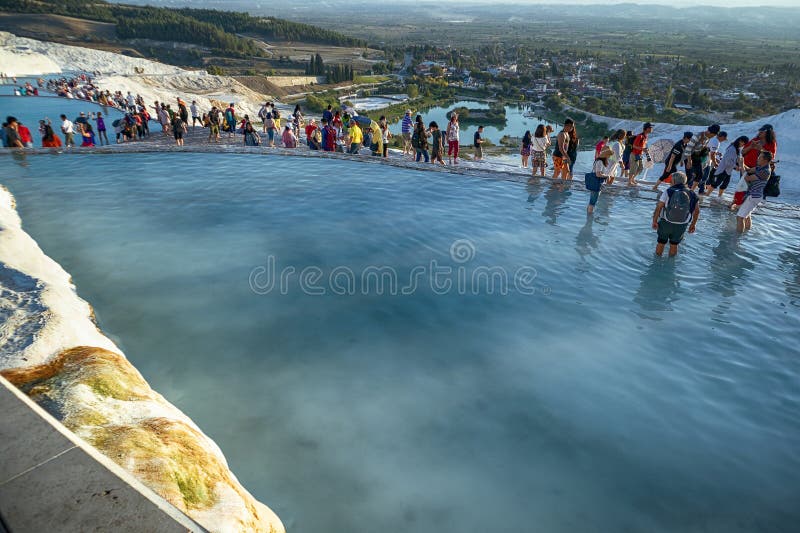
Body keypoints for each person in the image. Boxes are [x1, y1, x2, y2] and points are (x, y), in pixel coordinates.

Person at [651, 171, 700, 257]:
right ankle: (671, 263)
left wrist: (654, 221)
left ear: (673, 181)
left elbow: (659, 207)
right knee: (674, 244)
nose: (670, 182)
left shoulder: (668, 191)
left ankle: (657, 260)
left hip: (666, 223)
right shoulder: (692, 193)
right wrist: (693, 224)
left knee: (661, 242)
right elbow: (697, 211)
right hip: (682, 224)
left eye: (671, 180)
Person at [736, 151, 772, 233]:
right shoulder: (761, 167)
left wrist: (741, 166)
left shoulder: (765, 171)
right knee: (747, 215)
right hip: (754, 195)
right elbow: (748, 170)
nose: (757, 159)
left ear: (765, 160)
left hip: (754, 196)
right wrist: (742, 162)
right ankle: (746, 233)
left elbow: (747, 178)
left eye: (760, 157)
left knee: (739, 217)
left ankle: (737, 238)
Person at [683, 124, 720, 191]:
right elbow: (688, 148)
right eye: (713, 135)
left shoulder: (708, 138)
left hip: (697, 157)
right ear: (709, 132)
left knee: (700, 175)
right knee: (690, 176)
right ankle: (681, 189)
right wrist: (689, 161)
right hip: (688, 156)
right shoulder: (698, 136)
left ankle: (691, 191)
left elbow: (702, 147)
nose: (713, 137)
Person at [588, 146, 613, 214]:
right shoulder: (600, 162)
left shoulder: (599, 161)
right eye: (609, 156)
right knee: (593, 201)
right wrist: (607, 176)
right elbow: (598, 174)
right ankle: (590, 217)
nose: (609, 157)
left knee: (592, 200)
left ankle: (589, 215)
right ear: (606, 155)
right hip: (596, 183)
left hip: (597, 183)